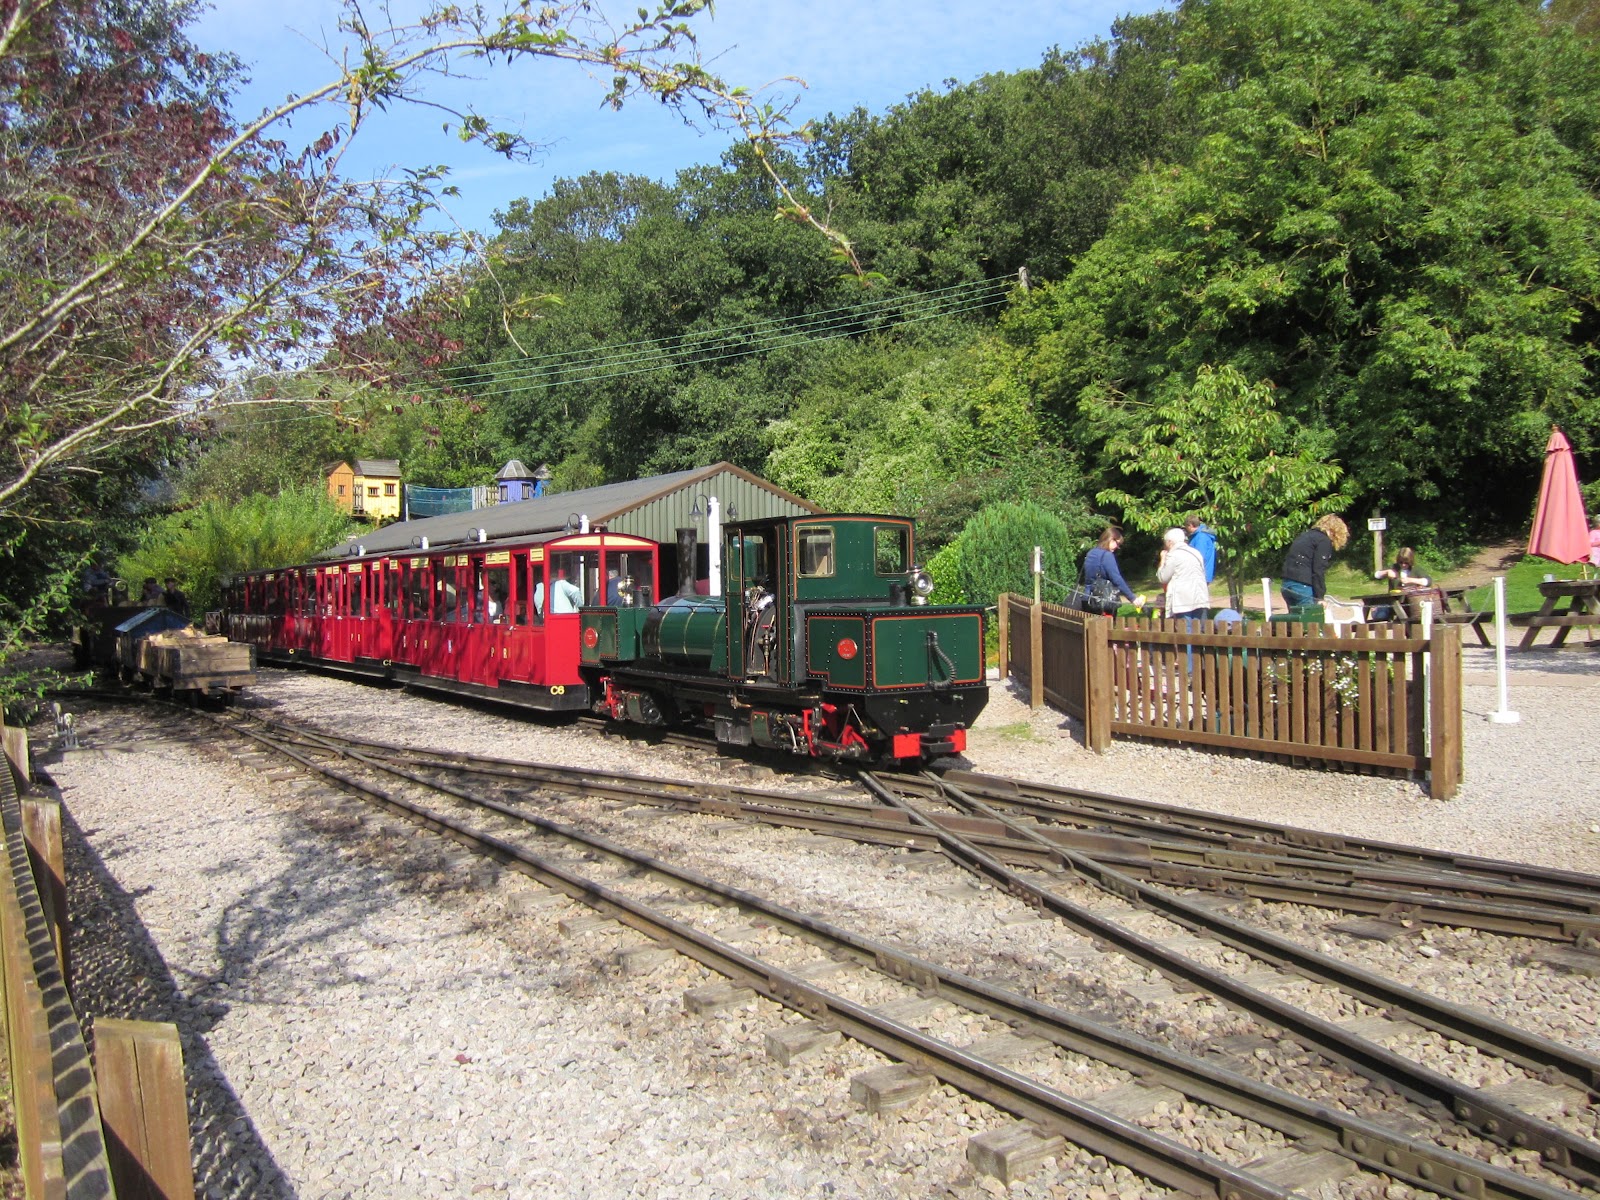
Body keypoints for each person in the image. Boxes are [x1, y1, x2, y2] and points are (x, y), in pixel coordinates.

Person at [1280, 515, 1349, 610]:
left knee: (1295, 621)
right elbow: (1318, 570)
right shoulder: (1323, 540)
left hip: (1287, 584)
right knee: (1310, 621)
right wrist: (1320, 597)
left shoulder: (1305, 535)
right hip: (1302, 586)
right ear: (1335, 531)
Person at [1081, 527, 1141, 610]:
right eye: (1118, 544)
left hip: (1087, 599)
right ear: (1111, 539)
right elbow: (1117, 579)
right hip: (1102, 602)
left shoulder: (1090, 553)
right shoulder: (1107, 555)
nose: (1117, 547)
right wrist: (1132, 598)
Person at [1157, 528, 1209, 621]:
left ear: (1169, 542)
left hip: (1183, 601)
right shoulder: (1196, 552)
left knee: (1186, 631)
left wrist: (1162, 559)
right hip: (1200, 598)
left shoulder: (1174, 555)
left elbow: (1163, 577)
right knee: (1200, 631)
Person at [1183, 514, 1217, 585]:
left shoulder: (1201, 537)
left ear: (1190, 525)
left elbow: (1199, 556)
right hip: (1200, 574)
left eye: (1186, 526)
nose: (1186, 529)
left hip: (1200, 574)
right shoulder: (1197, 535)